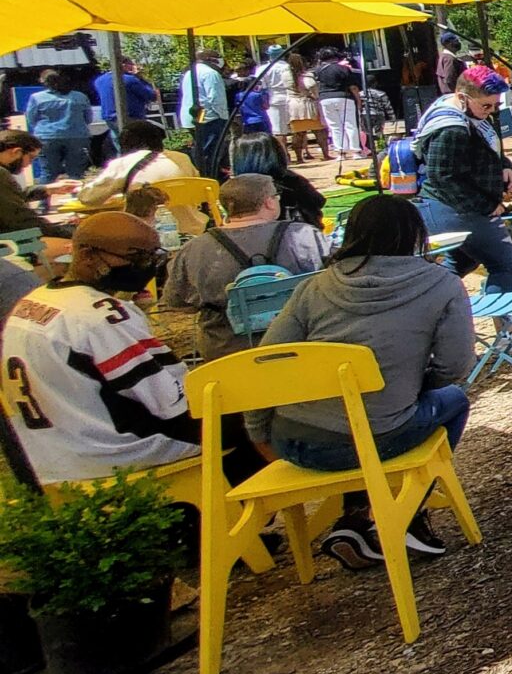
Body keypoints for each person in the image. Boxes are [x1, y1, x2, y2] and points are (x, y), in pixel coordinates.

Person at [251, 194, 475, 565]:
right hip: (379, 436)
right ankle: (406, 514)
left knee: (355, 414)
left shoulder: (314, 287)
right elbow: (455, 365)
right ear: (415, 234)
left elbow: (267, 359)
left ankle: (355, 519)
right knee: (453, 400)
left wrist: (259, 431)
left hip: (295, 439)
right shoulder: (440, 283)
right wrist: (412, 387)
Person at [0, 212, 265, 489]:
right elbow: (171, 403)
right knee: (268, 421)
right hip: (117, 451)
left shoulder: (30, 304)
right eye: (137, 258)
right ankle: (225, 520)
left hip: (58, 451)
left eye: (154, 257)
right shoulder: (100, 315)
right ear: (88, 255)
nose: (147, 267)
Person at [159, 172, 326, 358]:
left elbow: (178, 303)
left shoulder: (194, 248)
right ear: (269, 202)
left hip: (227, 352)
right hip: (304, 344)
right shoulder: (306, 235)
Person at [415, 65, 512, 291]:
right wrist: (486, 205)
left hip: (452, 206)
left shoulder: (466, 113)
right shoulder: (450, 128)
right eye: (486, 105)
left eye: (496, 105)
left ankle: (428, 303)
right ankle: (507, 327)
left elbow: (486, 147)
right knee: (504, 262)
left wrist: (504, 165)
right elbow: (442, 176)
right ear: (462, 97)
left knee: (462, 260)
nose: (492, 111)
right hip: (451, 207)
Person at [75, 121, 201, 224]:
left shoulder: (124, 163)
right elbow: (198, 191)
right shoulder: (182, 159)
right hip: (193, 226)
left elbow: (88, 198)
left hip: (144, 231)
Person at [226, 130, 327, 230]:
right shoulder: (291, 181)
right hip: (295, 236)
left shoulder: (234, 189)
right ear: (277, 154)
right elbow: (318, 201)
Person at [174, 43, 232, 178]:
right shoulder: (211, 73)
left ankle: (201, 174)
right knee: (211, 151)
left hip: (192, 117)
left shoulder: (189, 72)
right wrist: (224, 118)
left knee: (200, 149)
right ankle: (211, 177)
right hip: (209, 117)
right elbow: (216, 99)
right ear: (211, 59)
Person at [25, 68, 92, 182]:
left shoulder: (36, 98)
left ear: (43, 81)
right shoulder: (79, 96)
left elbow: (31, 119)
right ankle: (77, 198)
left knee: (48, 172)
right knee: (76, 173)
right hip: (77, 136)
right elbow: (88, 118)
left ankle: (44, 199)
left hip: (46, 137)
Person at [311, 47, 365, 159]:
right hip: (344, 97)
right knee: (351, 125)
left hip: (325, 99)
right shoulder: (343, 69)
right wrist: (358, 101)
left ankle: (341, 153)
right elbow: (353, 87)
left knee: (335, 126)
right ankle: (356, 152)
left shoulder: (317, 71)